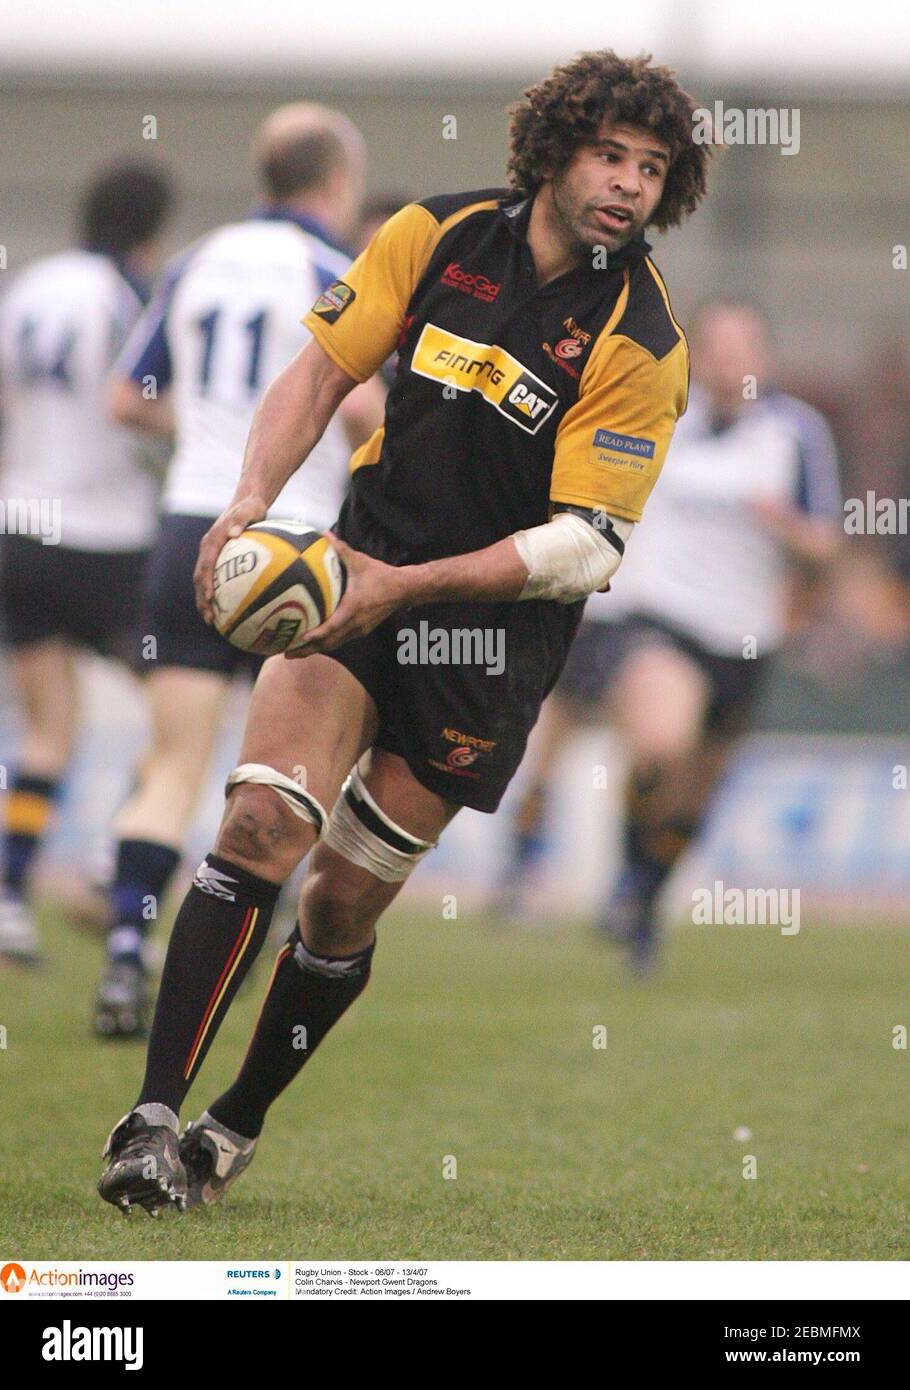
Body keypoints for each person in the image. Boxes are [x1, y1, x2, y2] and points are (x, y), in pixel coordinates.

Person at [97, 49, 709, 1214]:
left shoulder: (641, 333)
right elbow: (320, 372)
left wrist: (405, 586)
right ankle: (153, 1117)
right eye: (609, 155)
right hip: (351, 577)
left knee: (337, 901)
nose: (629, 184)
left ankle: (233, 1126)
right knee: (262, 817)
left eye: (652, 167)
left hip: (490, 643)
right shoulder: (435, 233)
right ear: (556, 149)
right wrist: (249, 500)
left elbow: (587, 543)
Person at [92, 103, 385, 1037]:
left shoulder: (194, 262)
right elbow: (365, 412)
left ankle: (127, 952)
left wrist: (216, 432)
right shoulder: (341, 271)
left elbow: (126, 399)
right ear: (336, 183)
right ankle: (247, 941)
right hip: (299, 545)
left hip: (196, 531)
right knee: (293, 777)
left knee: (174, 762)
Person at [500, 299, 842, 972]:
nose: (726, 361)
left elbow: (826, 546)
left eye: (740, 348)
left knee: (694, 797)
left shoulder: (795, 433)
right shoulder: (662, 418)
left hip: (745, 638)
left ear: (763, 358)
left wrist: (785, 530)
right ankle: (563, 871)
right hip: (657, 622)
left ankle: (641, 902)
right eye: (713, 347)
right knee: (658, 745)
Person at [0, 159, 174, 966]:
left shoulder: (26, 289)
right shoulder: (128, 294)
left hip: (24, 525)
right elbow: (140, 401)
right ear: (150, 228)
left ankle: (8, 900)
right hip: (108, 539)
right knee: (179, 718)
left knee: (46, 730)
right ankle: (112, 871)